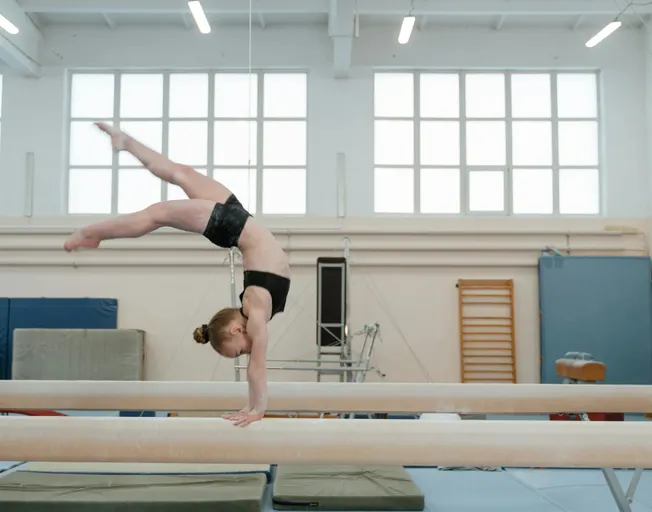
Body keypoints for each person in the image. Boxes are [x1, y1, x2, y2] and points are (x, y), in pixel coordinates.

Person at [64, 122, 291, 427]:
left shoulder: (255, 311)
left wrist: (254, 408)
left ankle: (96, 222)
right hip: (235, 221)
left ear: (237, 330)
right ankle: (117, 166)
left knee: (161, 207)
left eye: (240, 352)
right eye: (241, 353)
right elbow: (258, 369)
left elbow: (256, 369)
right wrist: (255, 410)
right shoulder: (256, 311)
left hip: (233, 223)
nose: (248, 352)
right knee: (176, 181)